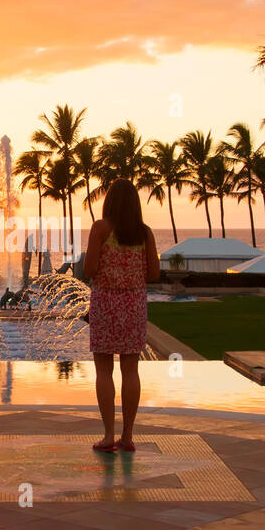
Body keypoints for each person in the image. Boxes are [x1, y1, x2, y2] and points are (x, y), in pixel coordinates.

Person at [82, 179, 160, 453]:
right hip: (134, 306)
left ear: (110, 202)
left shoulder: (101, 229)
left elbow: (89, 268)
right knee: (131, 370)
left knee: (104, 370)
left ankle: (108, 436)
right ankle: (127, 436)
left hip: (105, 304)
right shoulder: (144, 233)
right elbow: (154, 273)